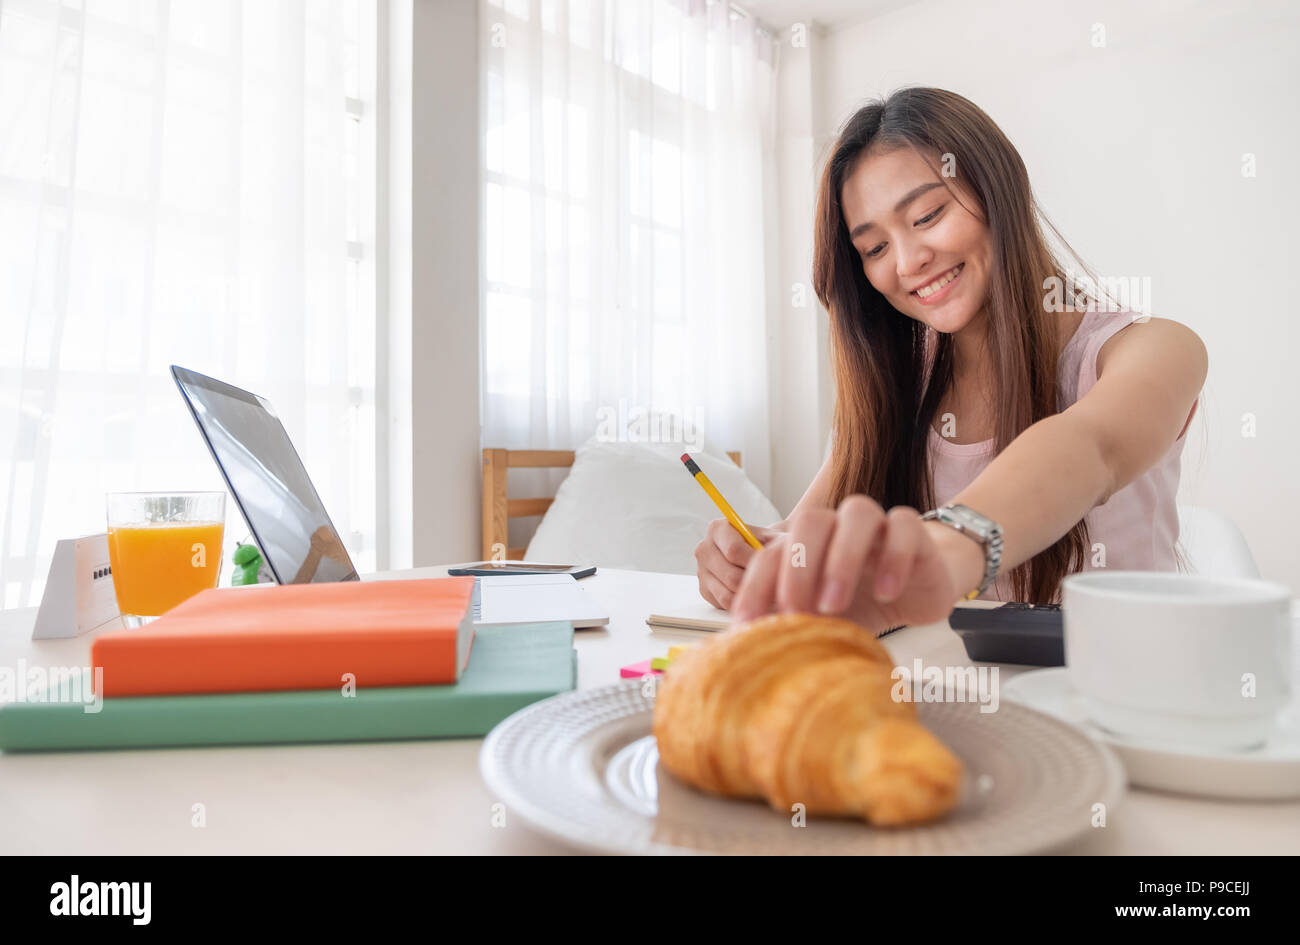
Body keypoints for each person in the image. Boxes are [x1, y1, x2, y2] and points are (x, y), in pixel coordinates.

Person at [694, 87, 1206, 635]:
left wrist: (948, 547)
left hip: (1124, 696)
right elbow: (794, 540)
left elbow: (1091, 447)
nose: (909, 261)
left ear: (998, 186)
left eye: (927, 215)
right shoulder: (897, 385)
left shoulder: (1153, 348)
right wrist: (753, 562)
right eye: (874, 249)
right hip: (954, 699)